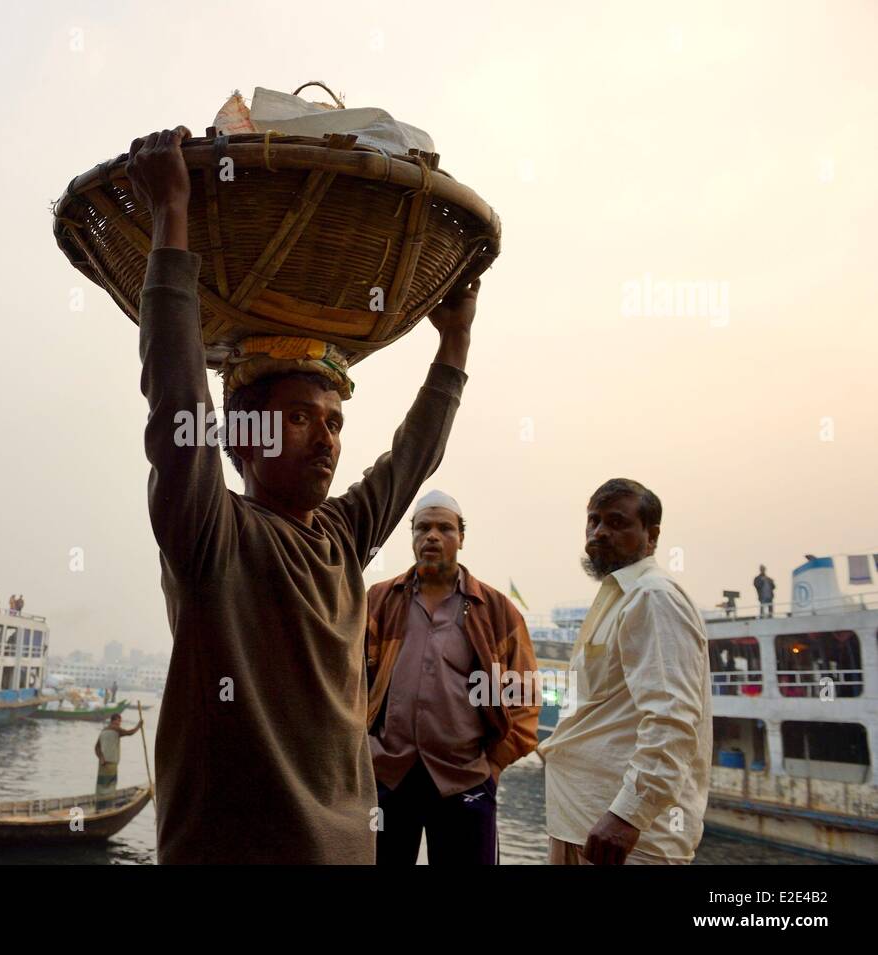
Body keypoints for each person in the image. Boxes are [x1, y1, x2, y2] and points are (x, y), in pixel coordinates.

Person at [127, 126, 476, 863]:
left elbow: (413, 455)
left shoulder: (341, 535)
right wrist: (171, 217)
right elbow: (175, 397)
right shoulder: (212, 534)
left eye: (336, 422)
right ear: (241, 437)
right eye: (297, 419)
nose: (327, 439)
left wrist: (455, 342)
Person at [538, 478, 712, 865]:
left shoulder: (654, 596)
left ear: (651, 536)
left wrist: (627, 814)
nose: (599, 532)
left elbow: (671, 719)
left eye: (617, 523)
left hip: (624, 838)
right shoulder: (620, 596)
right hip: (583, 823)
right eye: (593, 521)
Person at [365, 490, 539, 864]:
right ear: (411, 535)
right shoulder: (378, 601)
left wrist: (493, 767)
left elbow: (524, 695)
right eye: (423, 527)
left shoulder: (495, 610)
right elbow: (345, 684)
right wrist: (361, 753)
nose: (432, 536)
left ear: (461, 537)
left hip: (465, 779)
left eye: (444, 528)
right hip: (388, 774)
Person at [94, 712, 143, 804]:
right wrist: (138, 726)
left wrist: (101, 758)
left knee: (102, 785)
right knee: (110, 784)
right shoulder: (116, 729)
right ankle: (107, 806)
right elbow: (129, 733)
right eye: (119, 720)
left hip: (102, 763)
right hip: (111, 762)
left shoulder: (103, 731)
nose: (120, 723)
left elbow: (96, 748)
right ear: (115, 720)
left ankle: (100, 805)